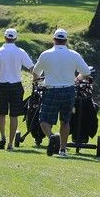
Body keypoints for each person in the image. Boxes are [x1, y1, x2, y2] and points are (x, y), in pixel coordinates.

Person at [32, 28, 92, 158]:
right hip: (68, 90)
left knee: (44, 120)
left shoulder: (46, 54)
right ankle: (63, 150)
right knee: (65, 121)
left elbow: (36, 72)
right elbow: (87, 73)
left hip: (51, 90)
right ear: (66, 41)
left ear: (54, 40)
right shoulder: (74, 55)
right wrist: (77, 79)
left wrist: (36, 83)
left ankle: (52, 137)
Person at [0, 28, 34, 151]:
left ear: (5, 38)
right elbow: (31, 67)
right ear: (15, 38)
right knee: (14, 115)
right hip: (16, 86)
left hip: (2, 85)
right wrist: (37, 78)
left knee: (1, 114)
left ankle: (2, 137)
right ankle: (10, 143)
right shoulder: (20, 52)